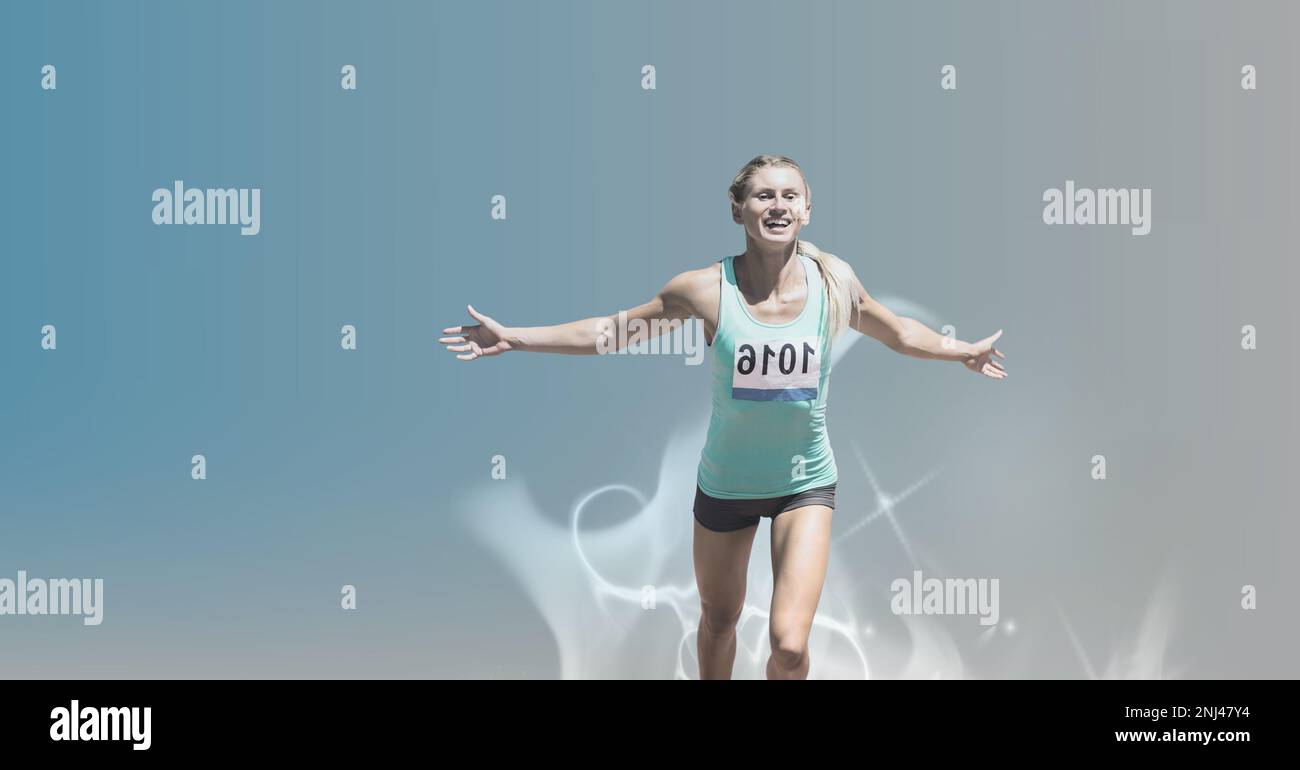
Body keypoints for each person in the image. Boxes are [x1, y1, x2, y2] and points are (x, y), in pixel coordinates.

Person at [440, 154, 1008, 679]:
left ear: (807, 210)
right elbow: (609, 333)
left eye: (790, 196)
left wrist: (962, 350)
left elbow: (899, 332)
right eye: (763, 196)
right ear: (739, 209)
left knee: (789, 645)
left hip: (803, 482)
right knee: (718, 623)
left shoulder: (834, 280)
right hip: (726, 485)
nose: (777, 206)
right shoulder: (705, 291)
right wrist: (515, 337)